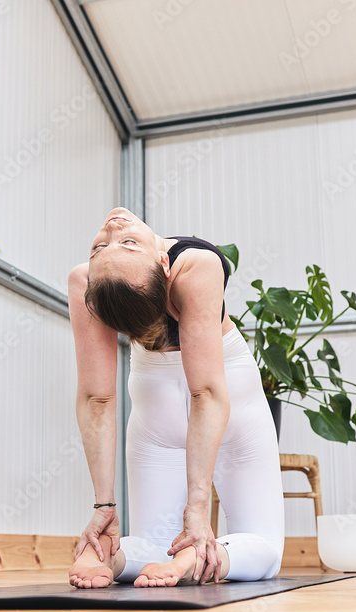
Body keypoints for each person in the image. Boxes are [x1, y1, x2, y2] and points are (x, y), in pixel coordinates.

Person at [67, 207, 285, 588]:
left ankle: (107, 555)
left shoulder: (84, 280)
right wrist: (197, 512)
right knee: (265, 545)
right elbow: (207, 392)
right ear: (164, 263)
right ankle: (190, 557)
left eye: (124, 243)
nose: (111, 229)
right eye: (101, 247)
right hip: (230, 394)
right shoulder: (196, 263)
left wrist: (105, 507)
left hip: (154, 401)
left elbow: (95, 399)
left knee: (152, 542)